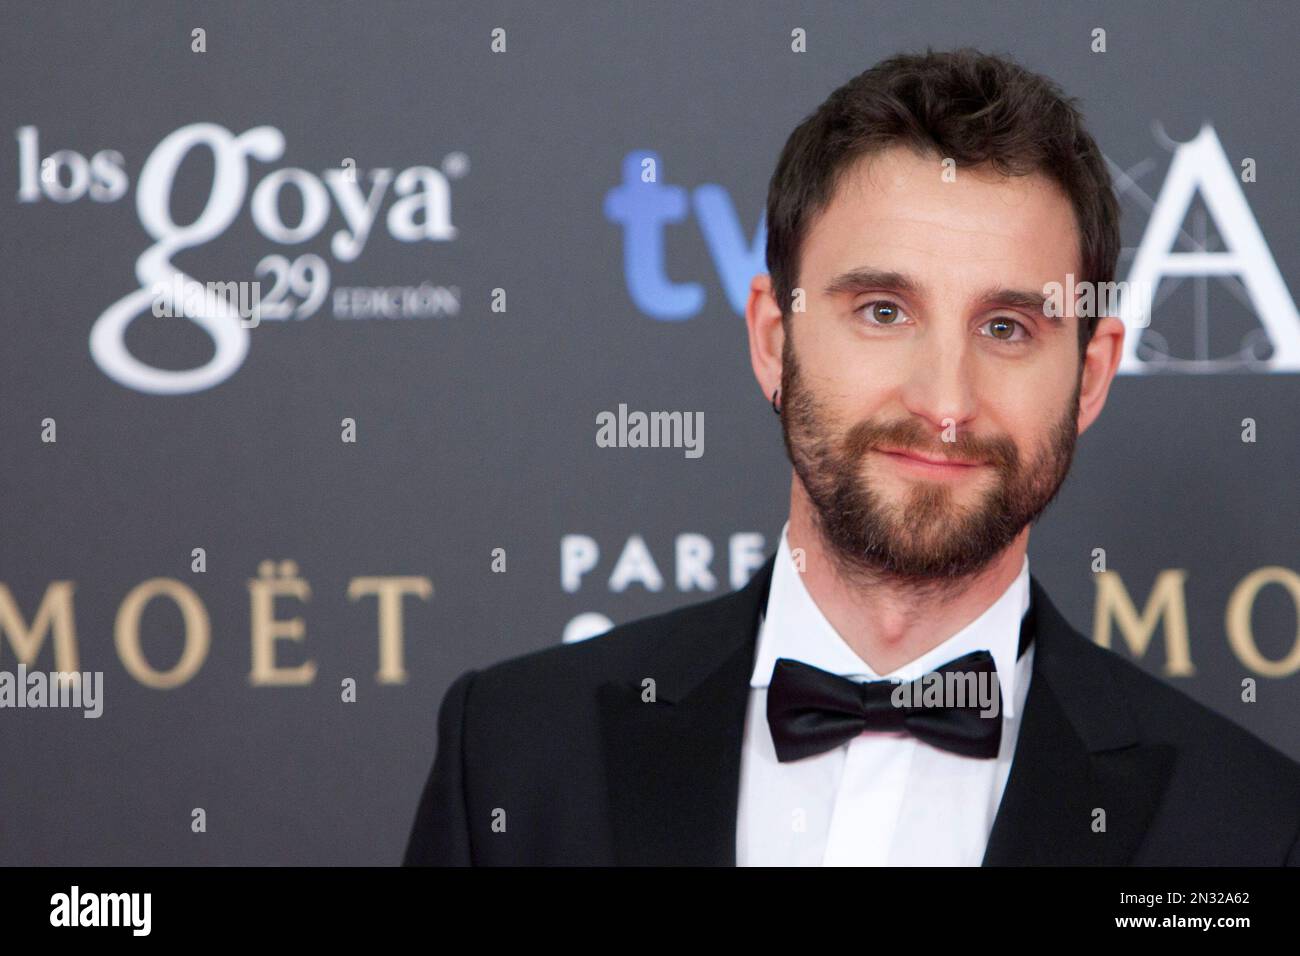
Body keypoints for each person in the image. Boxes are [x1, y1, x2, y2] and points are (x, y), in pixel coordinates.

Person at [403, 48, 1300, 866]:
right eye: (883, 311)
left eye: (1007, 327)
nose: (945, 403)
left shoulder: (1243, 828)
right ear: (771, 338)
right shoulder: (518, 758)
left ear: (1092, 375)